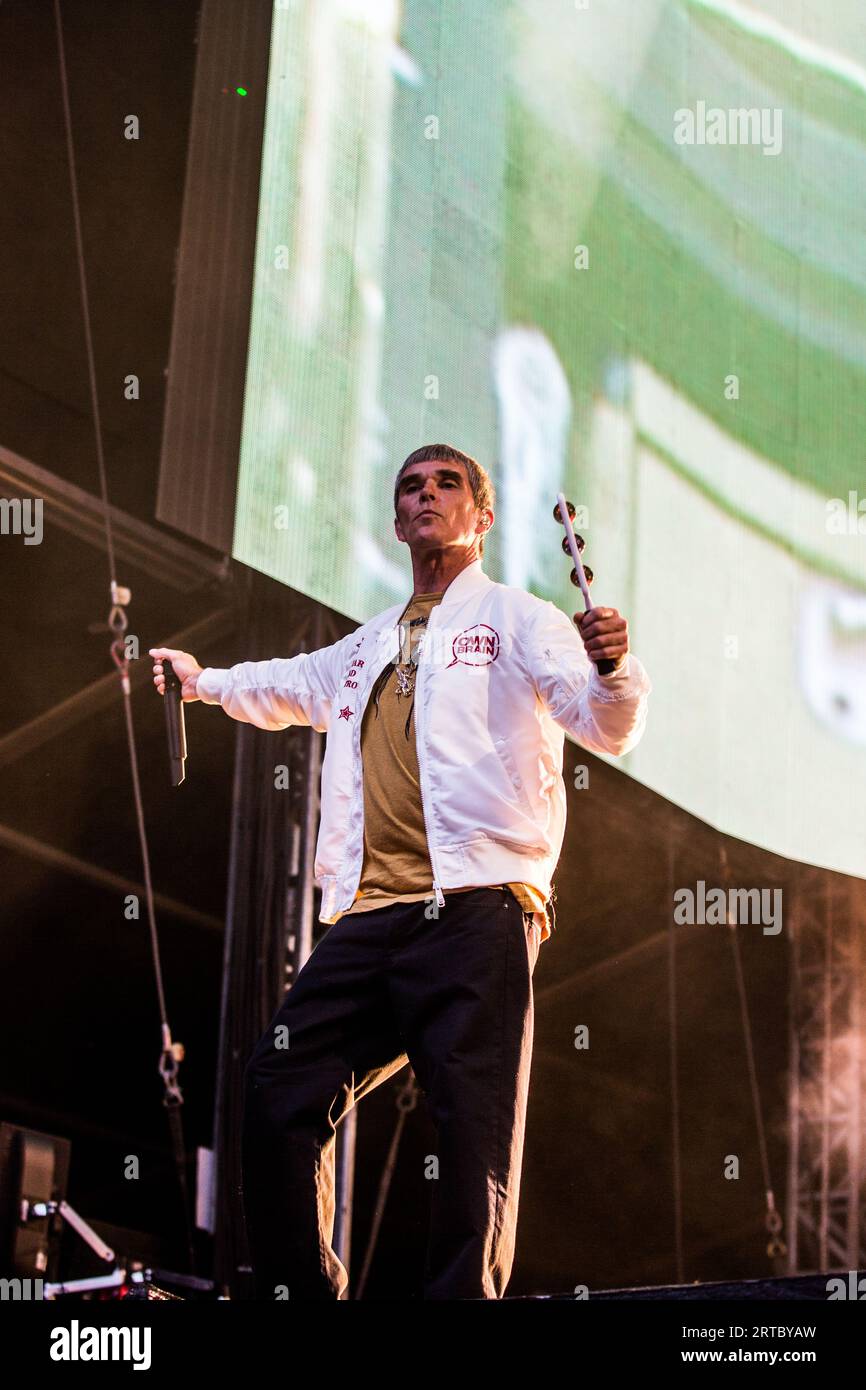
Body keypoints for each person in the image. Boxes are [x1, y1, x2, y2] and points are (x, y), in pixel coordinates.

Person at [149, 442, 651, 1300]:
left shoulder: (520, 619)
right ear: (396, 521)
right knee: (277, 1085)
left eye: (447, 484)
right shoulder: (364, 647)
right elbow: (283, 686)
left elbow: (605, 725)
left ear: (482, 518)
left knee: (473, 1136)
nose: (427, 496)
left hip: (479, 907)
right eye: (411, 487)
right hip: (371, 918)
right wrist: (202, 683)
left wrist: (614, 666)